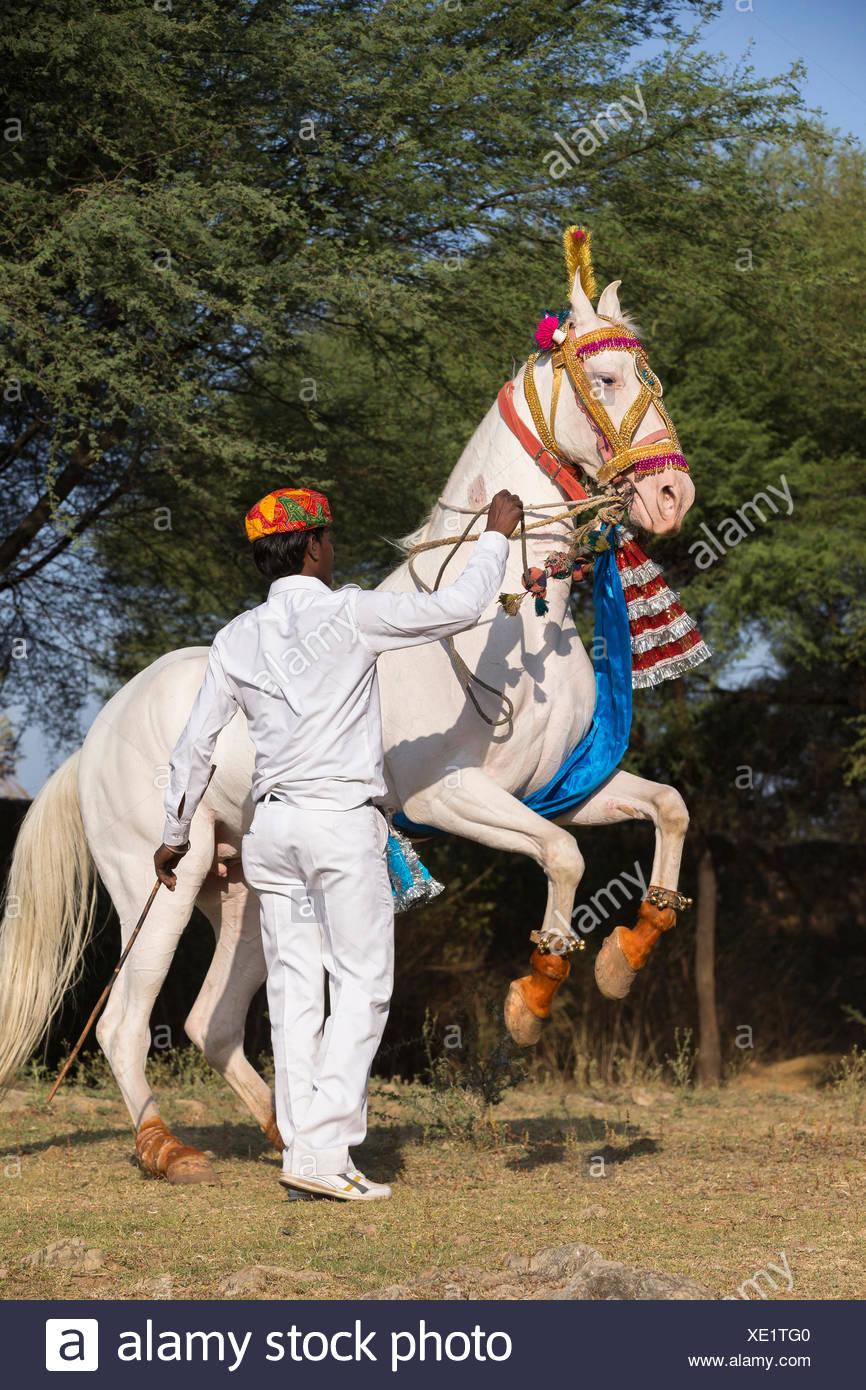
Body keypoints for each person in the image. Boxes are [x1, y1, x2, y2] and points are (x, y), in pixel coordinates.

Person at [153, 484, 522, 1201]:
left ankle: (304, 1149)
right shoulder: (353, 611)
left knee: (295, 993)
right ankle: (323, 1153)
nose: (334, 547)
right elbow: (460, 607)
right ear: (314, 547)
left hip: (272, 829)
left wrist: (173, 834)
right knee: (363, 984)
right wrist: (497, 536)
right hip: (339, 825)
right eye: (329, 536)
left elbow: (193, 747)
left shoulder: (235, 637)